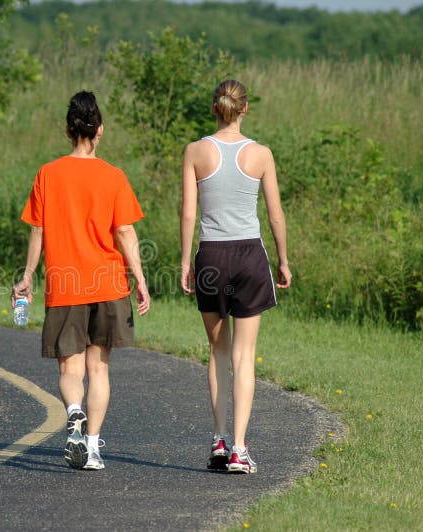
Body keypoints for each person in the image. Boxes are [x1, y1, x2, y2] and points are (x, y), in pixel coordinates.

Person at [12, 91, 151, 471]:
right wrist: (139, 278)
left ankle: (74, 411)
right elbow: (125, 232)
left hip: (65, 285)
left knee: (69, 371)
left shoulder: (48, 174)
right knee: (99, 369)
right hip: (108, 284)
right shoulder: (113, 176)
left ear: (68, 131)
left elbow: (38, 231)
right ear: (99, 130)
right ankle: (91, 447)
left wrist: (27, 277)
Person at [179, 79, 291, 474]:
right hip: (248, 257)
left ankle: (219, 439)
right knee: (244, 356)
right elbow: (275, 214)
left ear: (215, 108)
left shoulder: (195, 151)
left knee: (218, 351)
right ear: (245, 109)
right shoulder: (261, 154)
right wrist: (283, 259)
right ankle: (240, 450)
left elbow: (188, 213)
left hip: (211, 255)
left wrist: (185, 261)